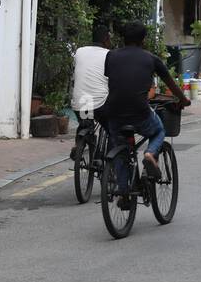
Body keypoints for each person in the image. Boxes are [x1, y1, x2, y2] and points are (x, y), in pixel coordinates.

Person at [103, 22, 190, 204]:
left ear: (123, 38)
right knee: (159, 130)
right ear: (143, 40)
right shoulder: (151, 59)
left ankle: (124, 192)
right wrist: (183, 100)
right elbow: (171, 84)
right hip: (139, 111)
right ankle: (150, 154)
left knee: (119, 149)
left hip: (113, 112)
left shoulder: (110, 56)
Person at [70, 24, 112, 161]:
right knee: (113, 128)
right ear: (106, 39)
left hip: (82, 101)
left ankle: (79, 143)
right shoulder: (109, 55)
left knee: (86, 122)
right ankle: (107, 159)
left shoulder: (80, 51)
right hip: (101, 105)